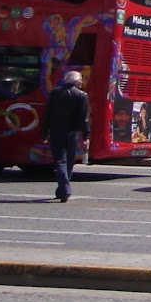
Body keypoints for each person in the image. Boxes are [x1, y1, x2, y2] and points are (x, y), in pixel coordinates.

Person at [43, 69, 91, 202]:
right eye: (80, 81)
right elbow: (84, 118)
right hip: (72, 133)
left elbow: (47, 114)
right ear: (76, 82)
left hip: (56, 131)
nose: (82, 83)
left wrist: (45, 131)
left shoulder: (55, 93)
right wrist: (86, 136)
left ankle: (62, 188)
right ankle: (65, 188)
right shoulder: (82, 95)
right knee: (69, 161)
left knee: (60, 160)